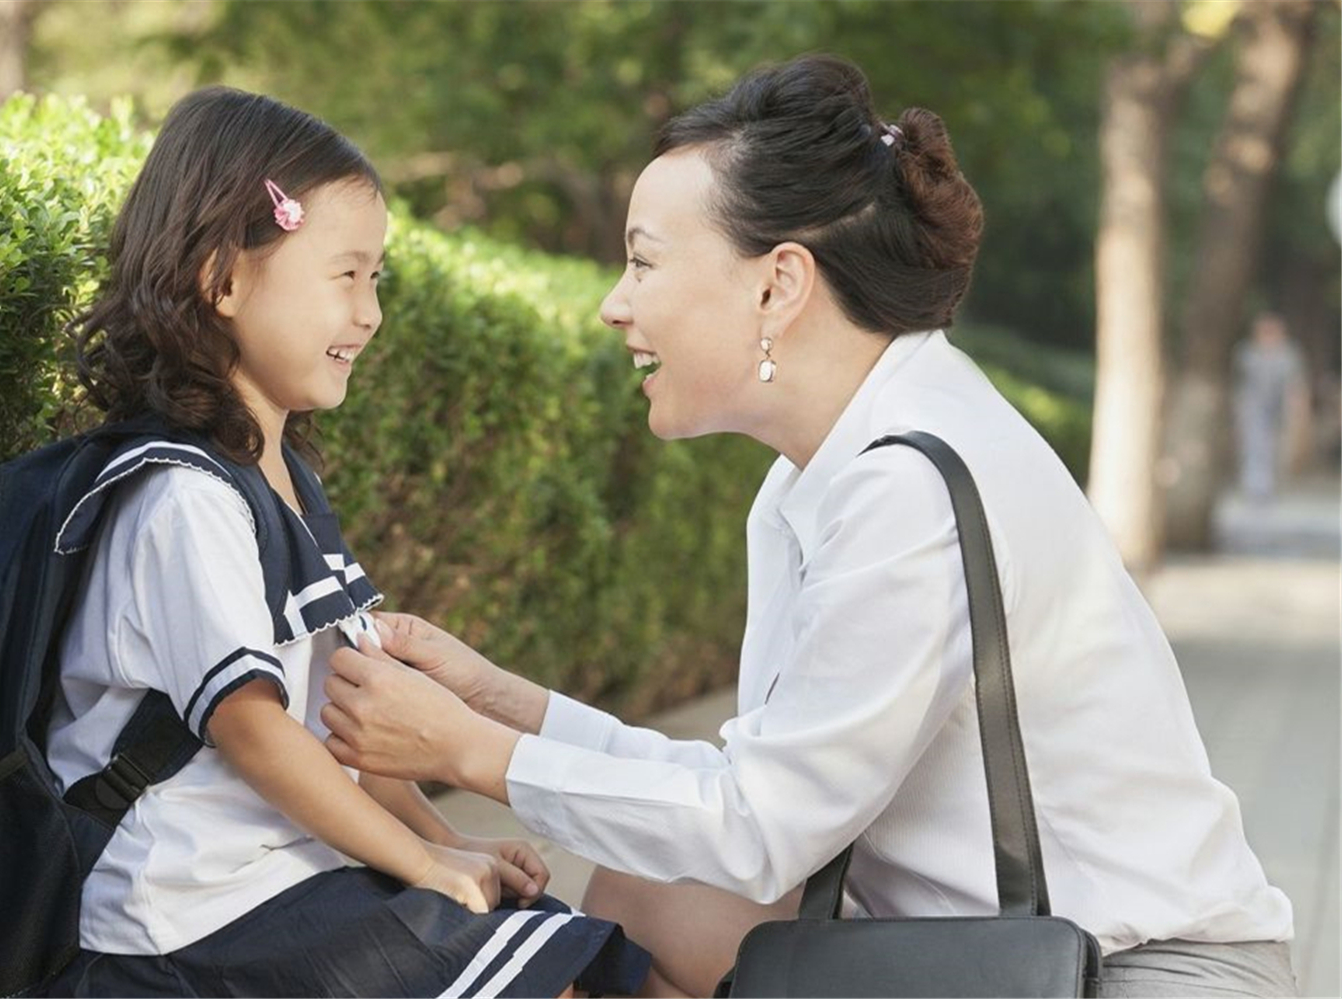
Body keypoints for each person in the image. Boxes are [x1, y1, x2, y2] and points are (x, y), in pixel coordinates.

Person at [320, 55, 1299, 999]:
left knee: (654, 902)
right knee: (645, 896)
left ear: (779, 285)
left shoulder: (905, 484)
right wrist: (506, 707)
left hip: (1133, 973)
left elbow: (759, 830)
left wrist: (467, 752)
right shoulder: (834, 467)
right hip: (1007, 948)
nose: (615, 307)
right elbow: (764, 783)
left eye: (644, 263)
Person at [41, 86, 649, 998]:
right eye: (346, 275)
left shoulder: (282, 479)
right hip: (185, 916)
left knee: (576, 952)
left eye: (379, 279)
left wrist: (448, 844)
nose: (370, 314)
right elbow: (252, 729)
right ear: (225, 276)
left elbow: (337, 730)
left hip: (285, 876)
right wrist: (420, 862)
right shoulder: (183, 497)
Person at [1233, 311, 1308, 500]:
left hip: (1279, 407)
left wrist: (1297, 409)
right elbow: (1241, 384)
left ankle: (1269, 485)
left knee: (1274, 447)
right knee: (1255, 445)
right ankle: (1256, 487)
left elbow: (1295, 383)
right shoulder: (1247, 354)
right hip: (1254, 407)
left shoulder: (1288, 355)